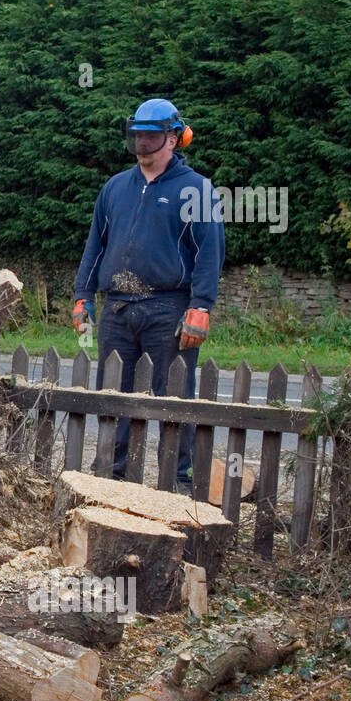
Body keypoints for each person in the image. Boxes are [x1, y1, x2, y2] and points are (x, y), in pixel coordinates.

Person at [72, 98, 224, 490]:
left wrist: (201, 306)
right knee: (112, 395)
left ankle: (175, 482)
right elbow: (96, 245)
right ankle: (110, 474)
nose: (142, 141)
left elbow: (210, 252)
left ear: (174, 138)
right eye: (137, 134)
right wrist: (83, 294)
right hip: (118, 306)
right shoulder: (115, 188)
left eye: (151, 135)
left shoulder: (196, 190)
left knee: (173, 398)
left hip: (168, 305)